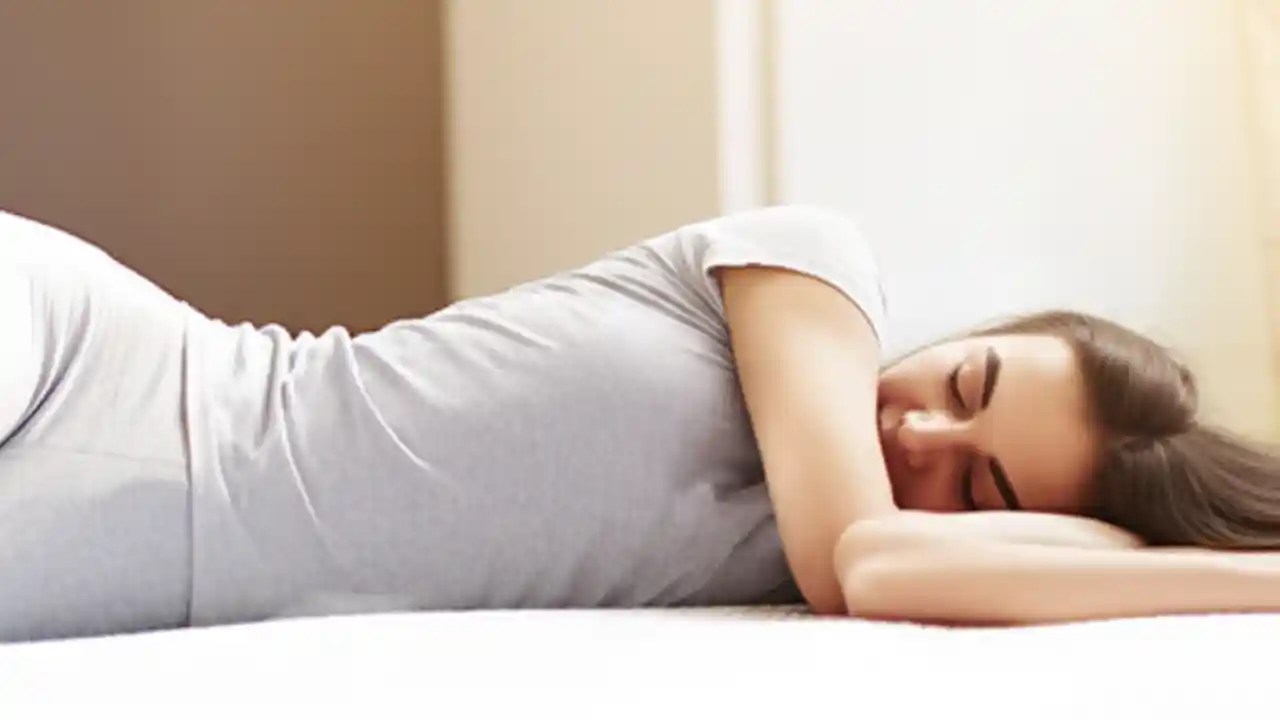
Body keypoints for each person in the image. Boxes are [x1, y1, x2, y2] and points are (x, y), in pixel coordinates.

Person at [2, 205, 1279, 643]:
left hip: (110, 567)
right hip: (99, 370)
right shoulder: (812, 270)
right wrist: (1256, 584)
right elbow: (874, 567)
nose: (921, 439)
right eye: (965, 382)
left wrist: (1120, 554)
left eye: (985, 491)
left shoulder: (811, 546)